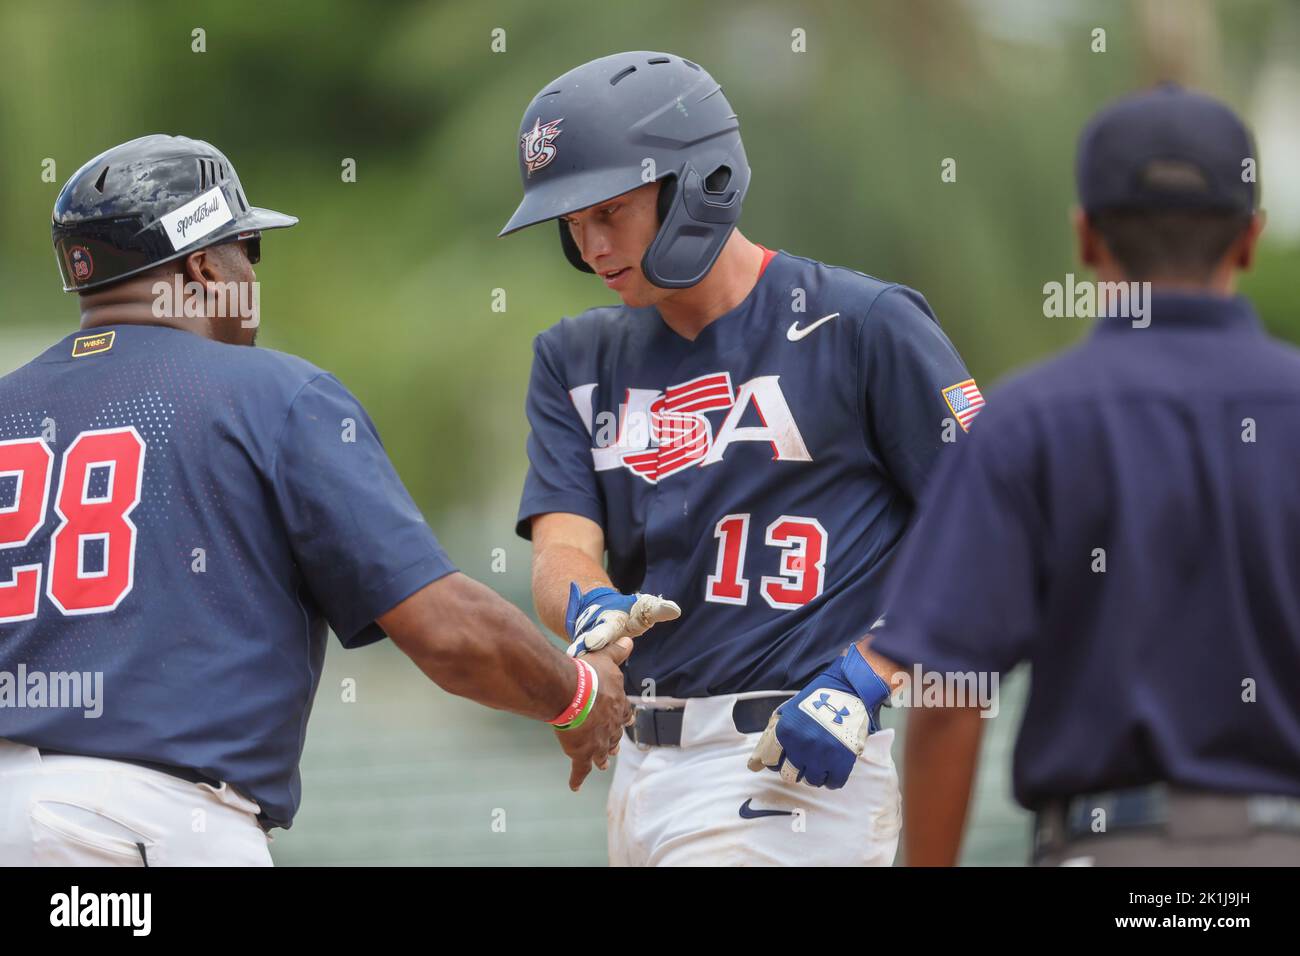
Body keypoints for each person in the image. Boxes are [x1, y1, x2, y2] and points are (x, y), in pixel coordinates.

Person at [0, 134, 631, 867]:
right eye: (247, 249)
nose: (251, 272)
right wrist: (577, 695)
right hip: (144, 825)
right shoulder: (271, 394)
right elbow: (444, 628)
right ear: (204, 265)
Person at [499, 52, 980, 866]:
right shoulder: (575, 357)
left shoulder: (863, 324)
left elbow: (990, 529)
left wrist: (874, 672)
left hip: (793, 761)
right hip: (640, 770)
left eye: (610, 209)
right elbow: (562, 548)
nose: (593, 244)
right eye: (573, 224)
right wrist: (585, 604)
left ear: (700, 181)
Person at [834, 85, 1300, 865]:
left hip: (1106, 849)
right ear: (1249, 239)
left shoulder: (1028, 422)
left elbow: (951, 697)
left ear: (1085, 239)